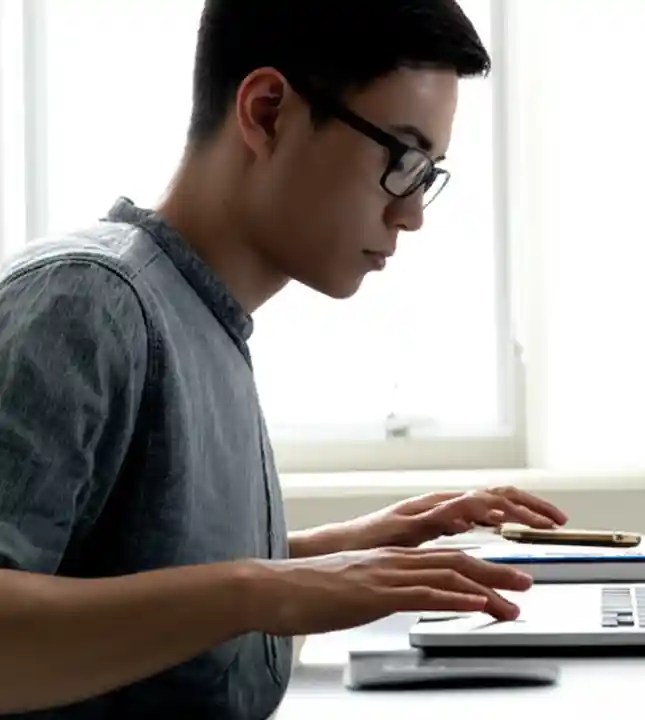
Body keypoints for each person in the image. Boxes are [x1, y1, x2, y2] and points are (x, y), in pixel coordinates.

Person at [0, 1, 568, 716]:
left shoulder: (200, 320)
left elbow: (136, 572)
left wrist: (348, 550)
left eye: (430, 174)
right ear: (267, 113)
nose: (413, 212)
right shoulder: (88, 302)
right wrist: (271, 588)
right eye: (403, 159)